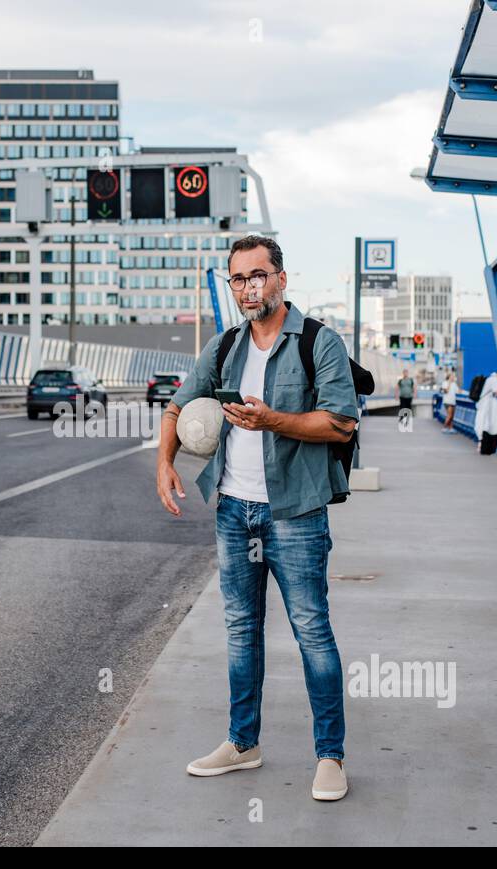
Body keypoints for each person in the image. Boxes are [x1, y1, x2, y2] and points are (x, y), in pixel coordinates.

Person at [155, 235, 359, 802]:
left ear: (281, 279)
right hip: (232, 511)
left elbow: (341, 423)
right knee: (242, 632)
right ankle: (243, 744)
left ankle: (330, 757)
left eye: (258, 276)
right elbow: (176, 406)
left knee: (312, 633)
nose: (249, 288)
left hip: (295, 513)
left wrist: (274, 421)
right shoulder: (224, 347)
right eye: (238, 279)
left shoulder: (319, 342)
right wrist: (164, 463)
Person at [473, 368, 497, 454]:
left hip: (483, 404)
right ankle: (486, 447)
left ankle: (481, 445)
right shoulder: (494, 380)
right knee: (491, 424)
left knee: (484, 424)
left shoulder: (490, 379)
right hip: (487, 406)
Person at [441, 370, 459, 434]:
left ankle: (450, 428)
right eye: (453, 376)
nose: (454, 377)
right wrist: (449, 383)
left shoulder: (454, 384)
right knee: (449, 415)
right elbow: (446, 391)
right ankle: (444, 427)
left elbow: (458, 391)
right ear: (449, 377)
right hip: (447, 401)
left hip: (453, 401)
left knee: (452, 416)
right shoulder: (444, 383)